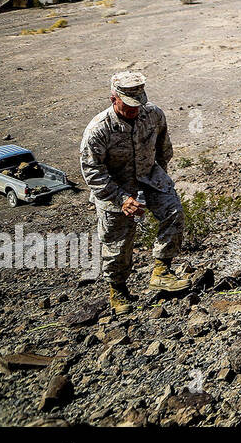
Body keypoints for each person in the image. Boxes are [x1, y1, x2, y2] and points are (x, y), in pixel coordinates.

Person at [80, 72, 190, 314]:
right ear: (113, 99)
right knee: (118, 240)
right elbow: (92, 171)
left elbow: (164, 149)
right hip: (114, 187)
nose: (135, 110)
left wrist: (161, 177)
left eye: (138, 104)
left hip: (150, 176)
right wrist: (121, 199)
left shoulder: (153, 114)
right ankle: (118, 292)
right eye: (128, 106)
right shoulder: (98, 130)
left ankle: (162, 270)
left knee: (174, 212)